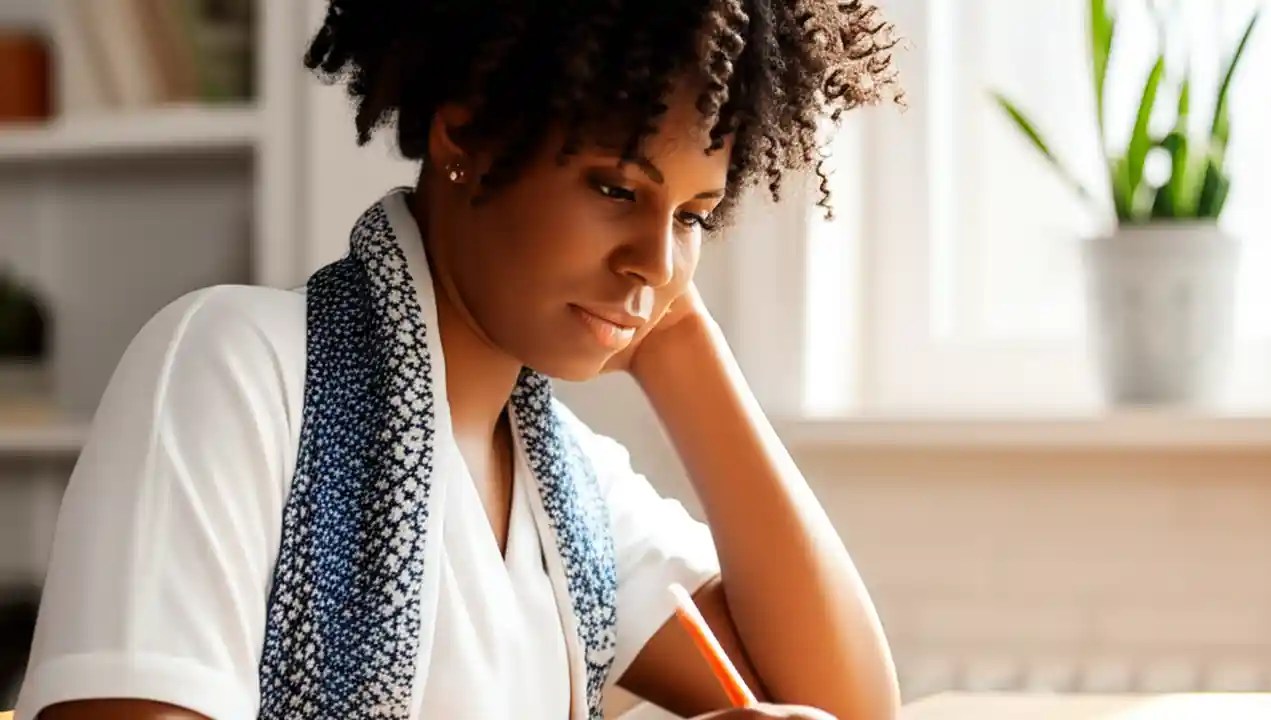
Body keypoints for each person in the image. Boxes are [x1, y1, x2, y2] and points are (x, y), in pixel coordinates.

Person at [15, 1, 903, 718]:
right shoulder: (233, 368)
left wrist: (683, 348)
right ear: (465, 137)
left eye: (692, 216)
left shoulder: (575, 496)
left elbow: (846, 708)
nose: (657, 261)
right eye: (614, 188)